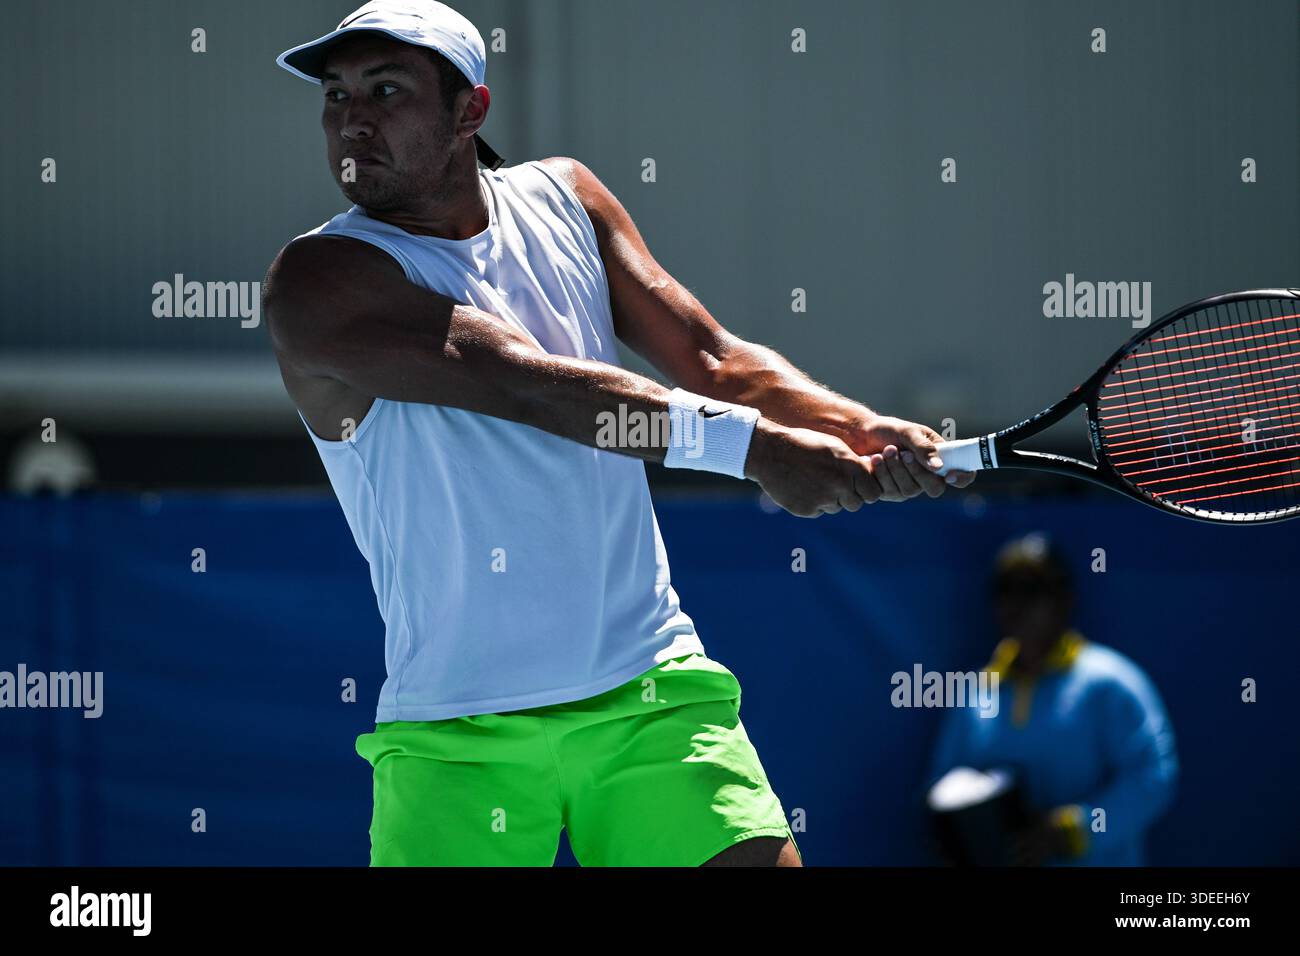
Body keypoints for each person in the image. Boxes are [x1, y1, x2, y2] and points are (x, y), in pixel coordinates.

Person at [266, 0, 974, 866]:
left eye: (386, 88)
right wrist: (756, 451)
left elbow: (711, 356)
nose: (354, 118)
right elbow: (526, 386)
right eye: (336, 94)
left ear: (469, 112)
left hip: (649, 688)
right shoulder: (317, 280)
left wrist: (855, 426)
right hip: (456, 730)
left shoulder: (568, 197)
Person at [928, 533, 1179, 865]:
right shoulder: (976, 690)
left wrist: (1078, 829)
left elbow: (1152, 777)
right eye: (1004, 589)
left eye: (1032, 589)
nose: (1016, 604)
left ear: (1065, 598)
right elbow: (943, 782)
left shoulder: (1112, 683)